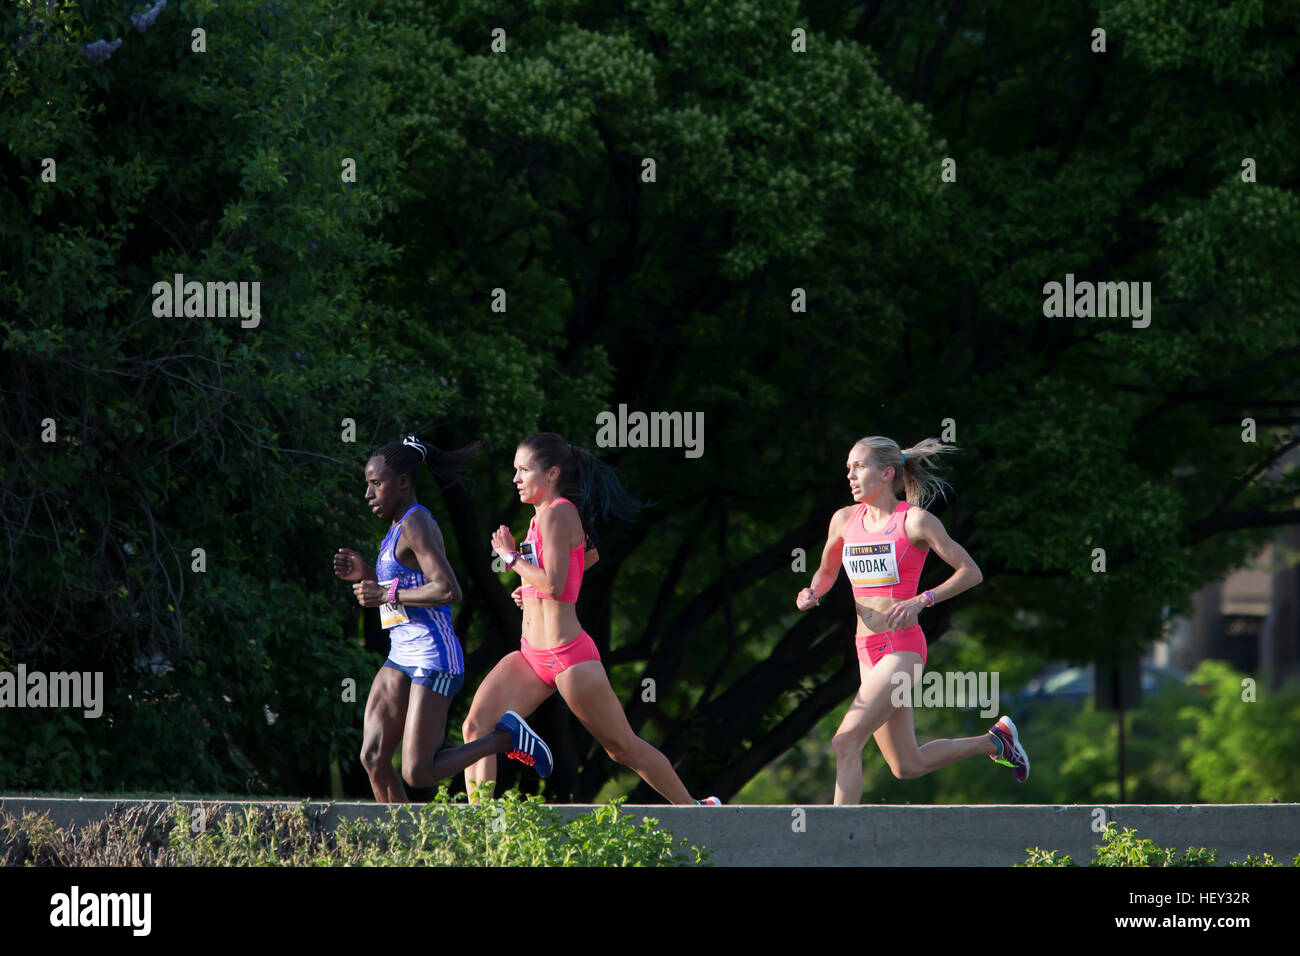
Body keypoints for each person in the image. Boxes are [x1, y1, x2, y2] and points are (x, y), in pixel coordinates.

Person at [462, 432, 720, 806]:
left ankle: (697, 810)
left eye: (523, 470)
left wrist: (510, 558)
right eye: (514, 470)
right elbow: (585, 559)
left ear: (551, 474)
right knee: (476, 725)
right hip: (531, 656)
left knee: (622, 747)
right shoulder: (540, 519)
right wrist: (529, 590)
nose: (515, 479)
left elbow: (553, 584)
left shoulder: (558, 513)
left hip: (568, 657)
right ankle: (483, 830)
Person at [795, 436, 1029, 805]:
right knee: (907, 765)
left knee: (845, 741)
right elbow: (826, 572)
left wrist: (924, 599)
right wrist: (811, 592)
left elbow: (971, 572)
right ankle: (996, 741)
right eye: (848, 469)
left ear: (887, 473)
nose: (850, 476)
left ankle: (838, 844)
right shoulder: (843, 520)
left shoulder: (916, 521)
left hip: (902, 649)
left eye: (859, 467)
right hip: (865, 649)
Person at [334, 434, 552, 803]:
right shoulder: (395, 526)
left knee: (418, 772)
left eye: (376, 484)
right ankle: (404, 850)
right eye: (367, 485)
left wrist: (384, 593)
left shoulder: (416, 522)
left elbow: (448, 589)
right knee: (372, 757)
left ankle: (504, 738)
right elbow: (407, 585)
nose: (368, 494)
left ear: (403, 483)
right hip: (401, 655)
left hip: (435, 658)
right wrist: (367, 574)